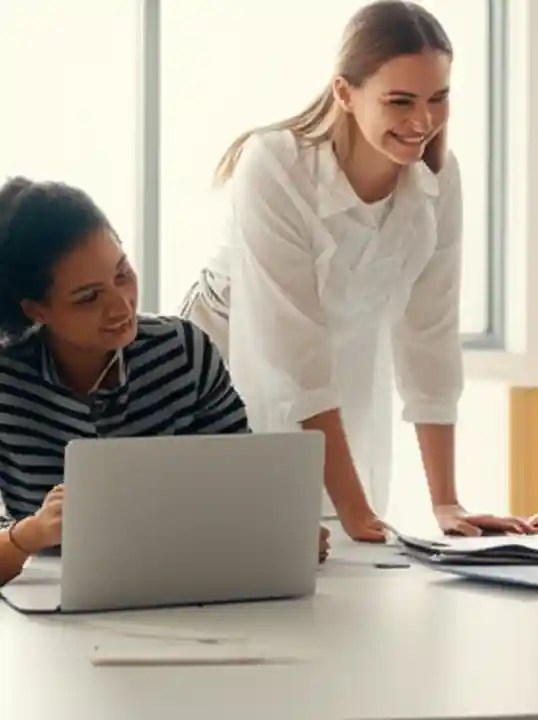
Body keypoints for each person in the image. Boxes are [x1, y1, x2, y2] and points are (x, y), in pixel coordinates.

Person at [182, 1, 538, 540]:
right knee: (237, 544)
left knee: (346, 555)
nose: (422, 122)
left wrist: (447, 504)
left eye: (438, 99)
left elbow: (429, 335)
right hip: (231, 372)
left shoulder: (438, 179)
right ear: (344, 93)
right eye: (399, 101)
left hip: (342, 376)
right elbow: (293, 359)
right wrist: (355, 511)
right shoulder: (273, 166)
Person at [0, 178, 329, 586]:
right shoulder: (9, 383)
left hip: (186, 586)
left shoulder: (183, 351)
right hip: (50, 599)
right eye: (88, 297)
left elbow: (243, 484)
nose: (121, 306)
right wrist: (28, 534)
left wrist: (282, 531)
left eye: (122, 274)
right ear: (37, 311)